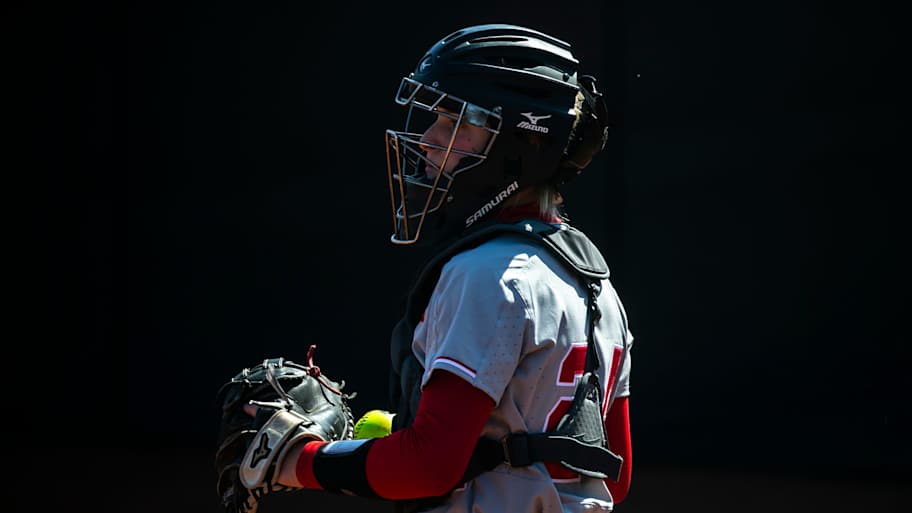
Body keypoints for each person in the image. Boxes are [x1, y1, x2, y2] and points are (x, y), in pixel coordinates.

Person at [254, 24, 634, 513]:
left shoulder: (486, 274)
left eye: (456, 121)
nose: (431, 140)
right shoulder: (595, 285)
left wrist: (293, 460)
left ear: (516, 147)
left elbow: (429, 466)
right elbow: (613, 477)